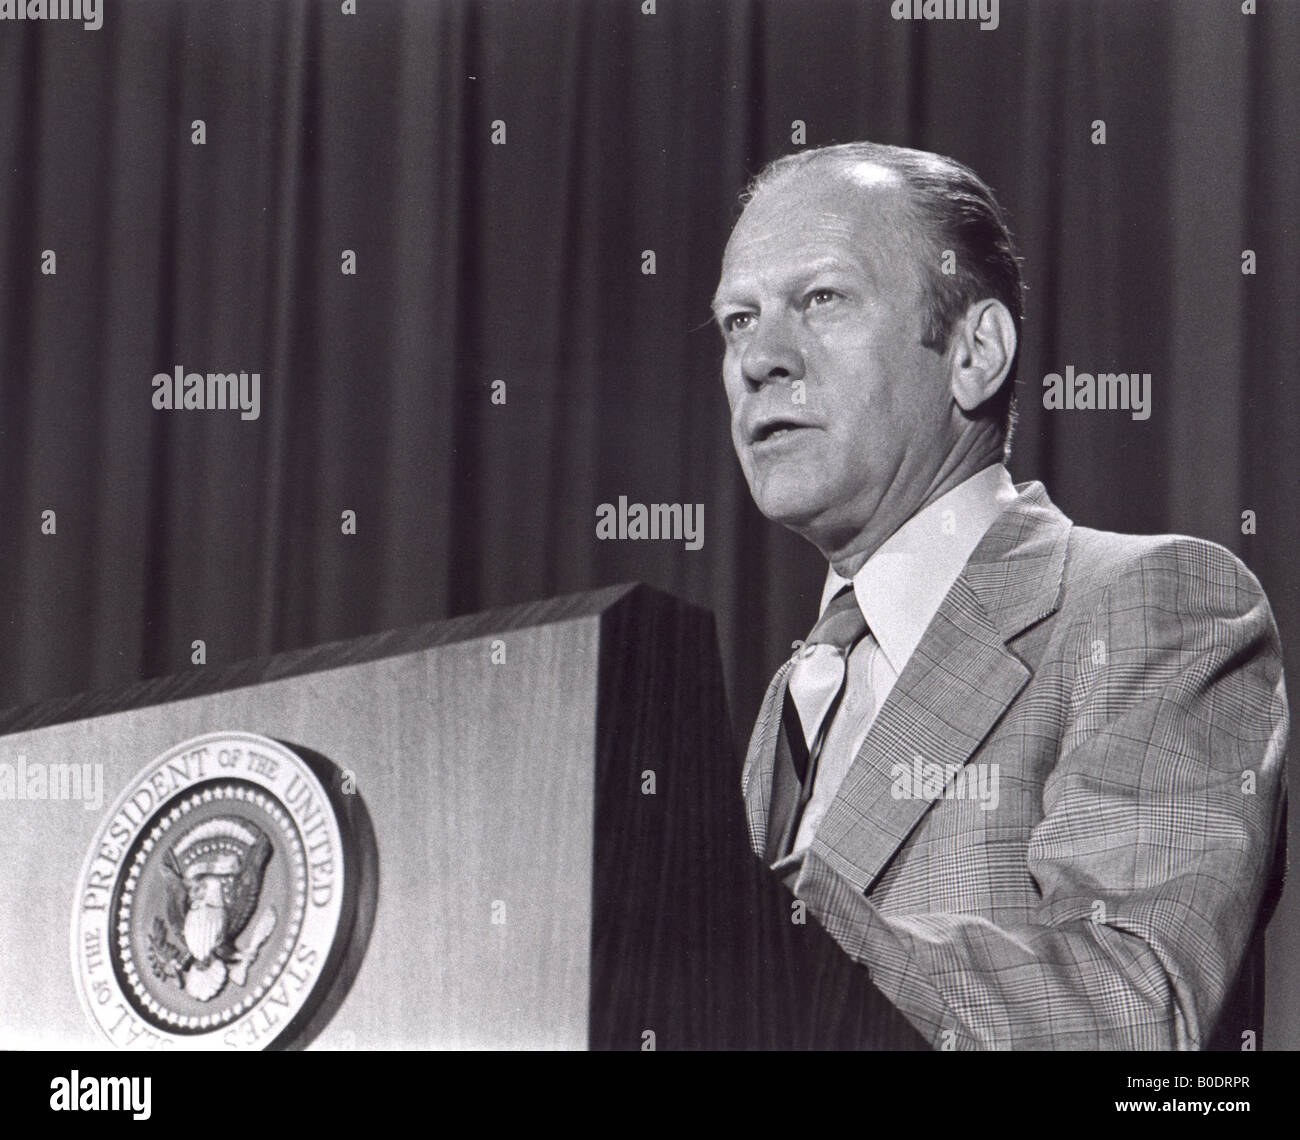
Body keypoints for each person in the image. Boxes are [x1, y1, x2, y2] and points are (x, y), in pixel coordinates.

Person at [712, 141, 1289, 1050]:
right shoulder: (795, 696)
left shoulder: (1152, 602)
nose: (760, 360)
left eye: (821, 299)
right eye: (738, 320)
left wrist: (764, 914)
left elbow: (1134, 1014)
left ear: (975, 353)